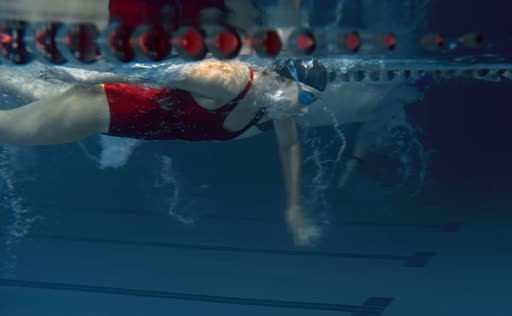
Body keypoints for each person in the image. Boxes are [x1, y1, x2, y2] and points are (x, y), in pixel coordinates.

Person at [0, 58, 328, 246]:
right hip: (96, 110)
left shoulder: (276, 107)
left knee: (20, 85)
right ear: (283, 79)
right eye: (308, 98)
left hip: (108, 114)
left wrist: (294, 206)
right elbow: (149, 70)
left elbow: (290, 144)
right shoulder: (228, 83)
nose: (304, 108)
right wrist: (76, 73)